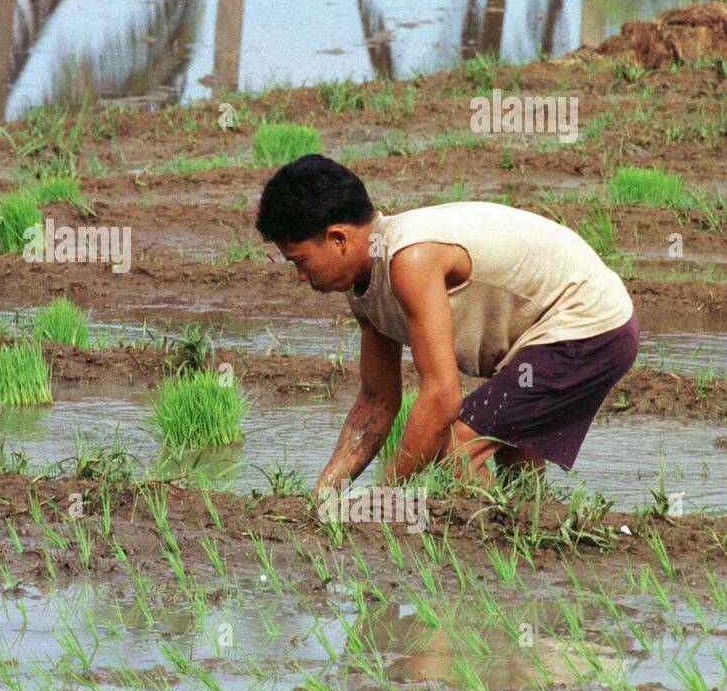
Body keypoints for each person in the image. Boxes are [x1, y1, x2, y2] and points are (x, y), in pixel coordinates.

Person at [255, 154, 638, 493]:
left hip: (588, 322)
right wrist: (325, 496)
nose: (300, 277)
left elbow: (442, 395)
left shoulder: (410, 259)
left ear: (338, 238)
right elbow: (377, 400)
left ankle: (499, 546)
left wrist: (382, 502)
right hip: (541, 336)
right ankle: (524, 548)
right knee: (511, 458)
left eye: (299, 261)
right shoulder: (365, 285)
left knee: (459, 445)